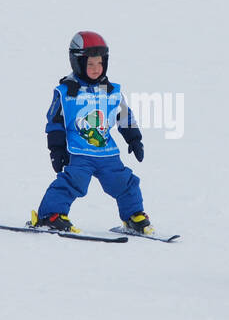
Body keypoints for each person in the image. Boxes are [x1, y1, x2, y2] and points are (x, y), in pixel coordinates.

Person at [32, 31, 150, 234]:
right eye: (90, 64)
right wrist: (57, 150)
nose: (96, 69)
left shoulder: (111, 91)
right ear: (77, 63)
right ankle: (50, 216)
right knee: (72, 182)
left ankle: (134, 216)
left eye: (100, 63)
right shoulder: (66, 91)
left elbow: (124, 116)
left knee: (125, 182)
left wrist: (134, 139)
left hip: (107, 152)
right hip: (79, 151)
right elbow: (55, 122)